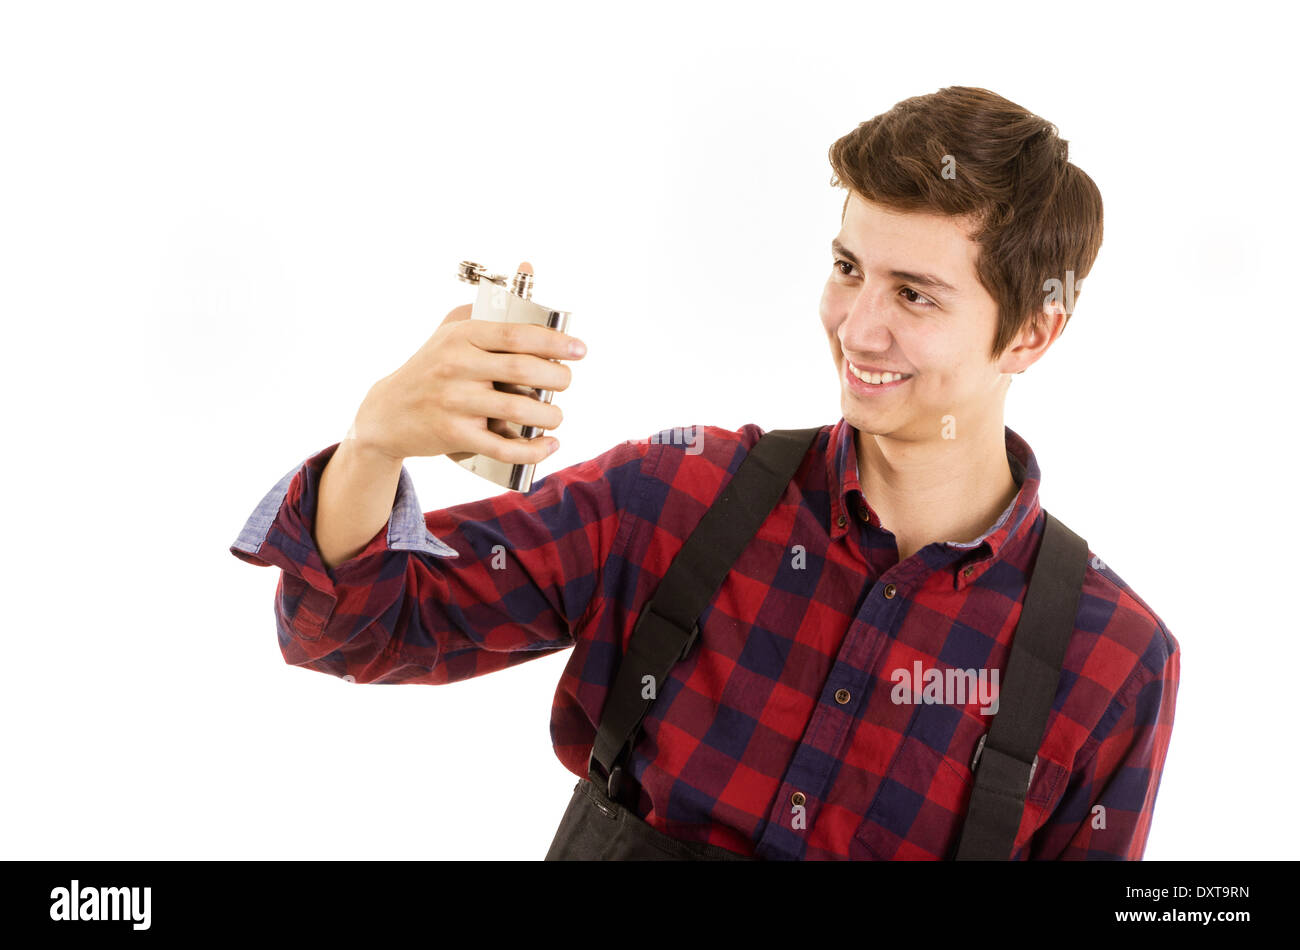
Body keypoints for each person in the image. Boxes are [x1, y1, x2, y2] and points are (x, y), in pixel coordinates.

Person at [230, 86, 1179, 860]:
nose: (857, 329)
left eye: (915, 295)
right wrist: (374, 446)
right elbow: (355, 627)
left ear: (1032, 332)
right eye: (849, 268)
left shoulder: (1113, 660)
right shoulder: (680, 496)